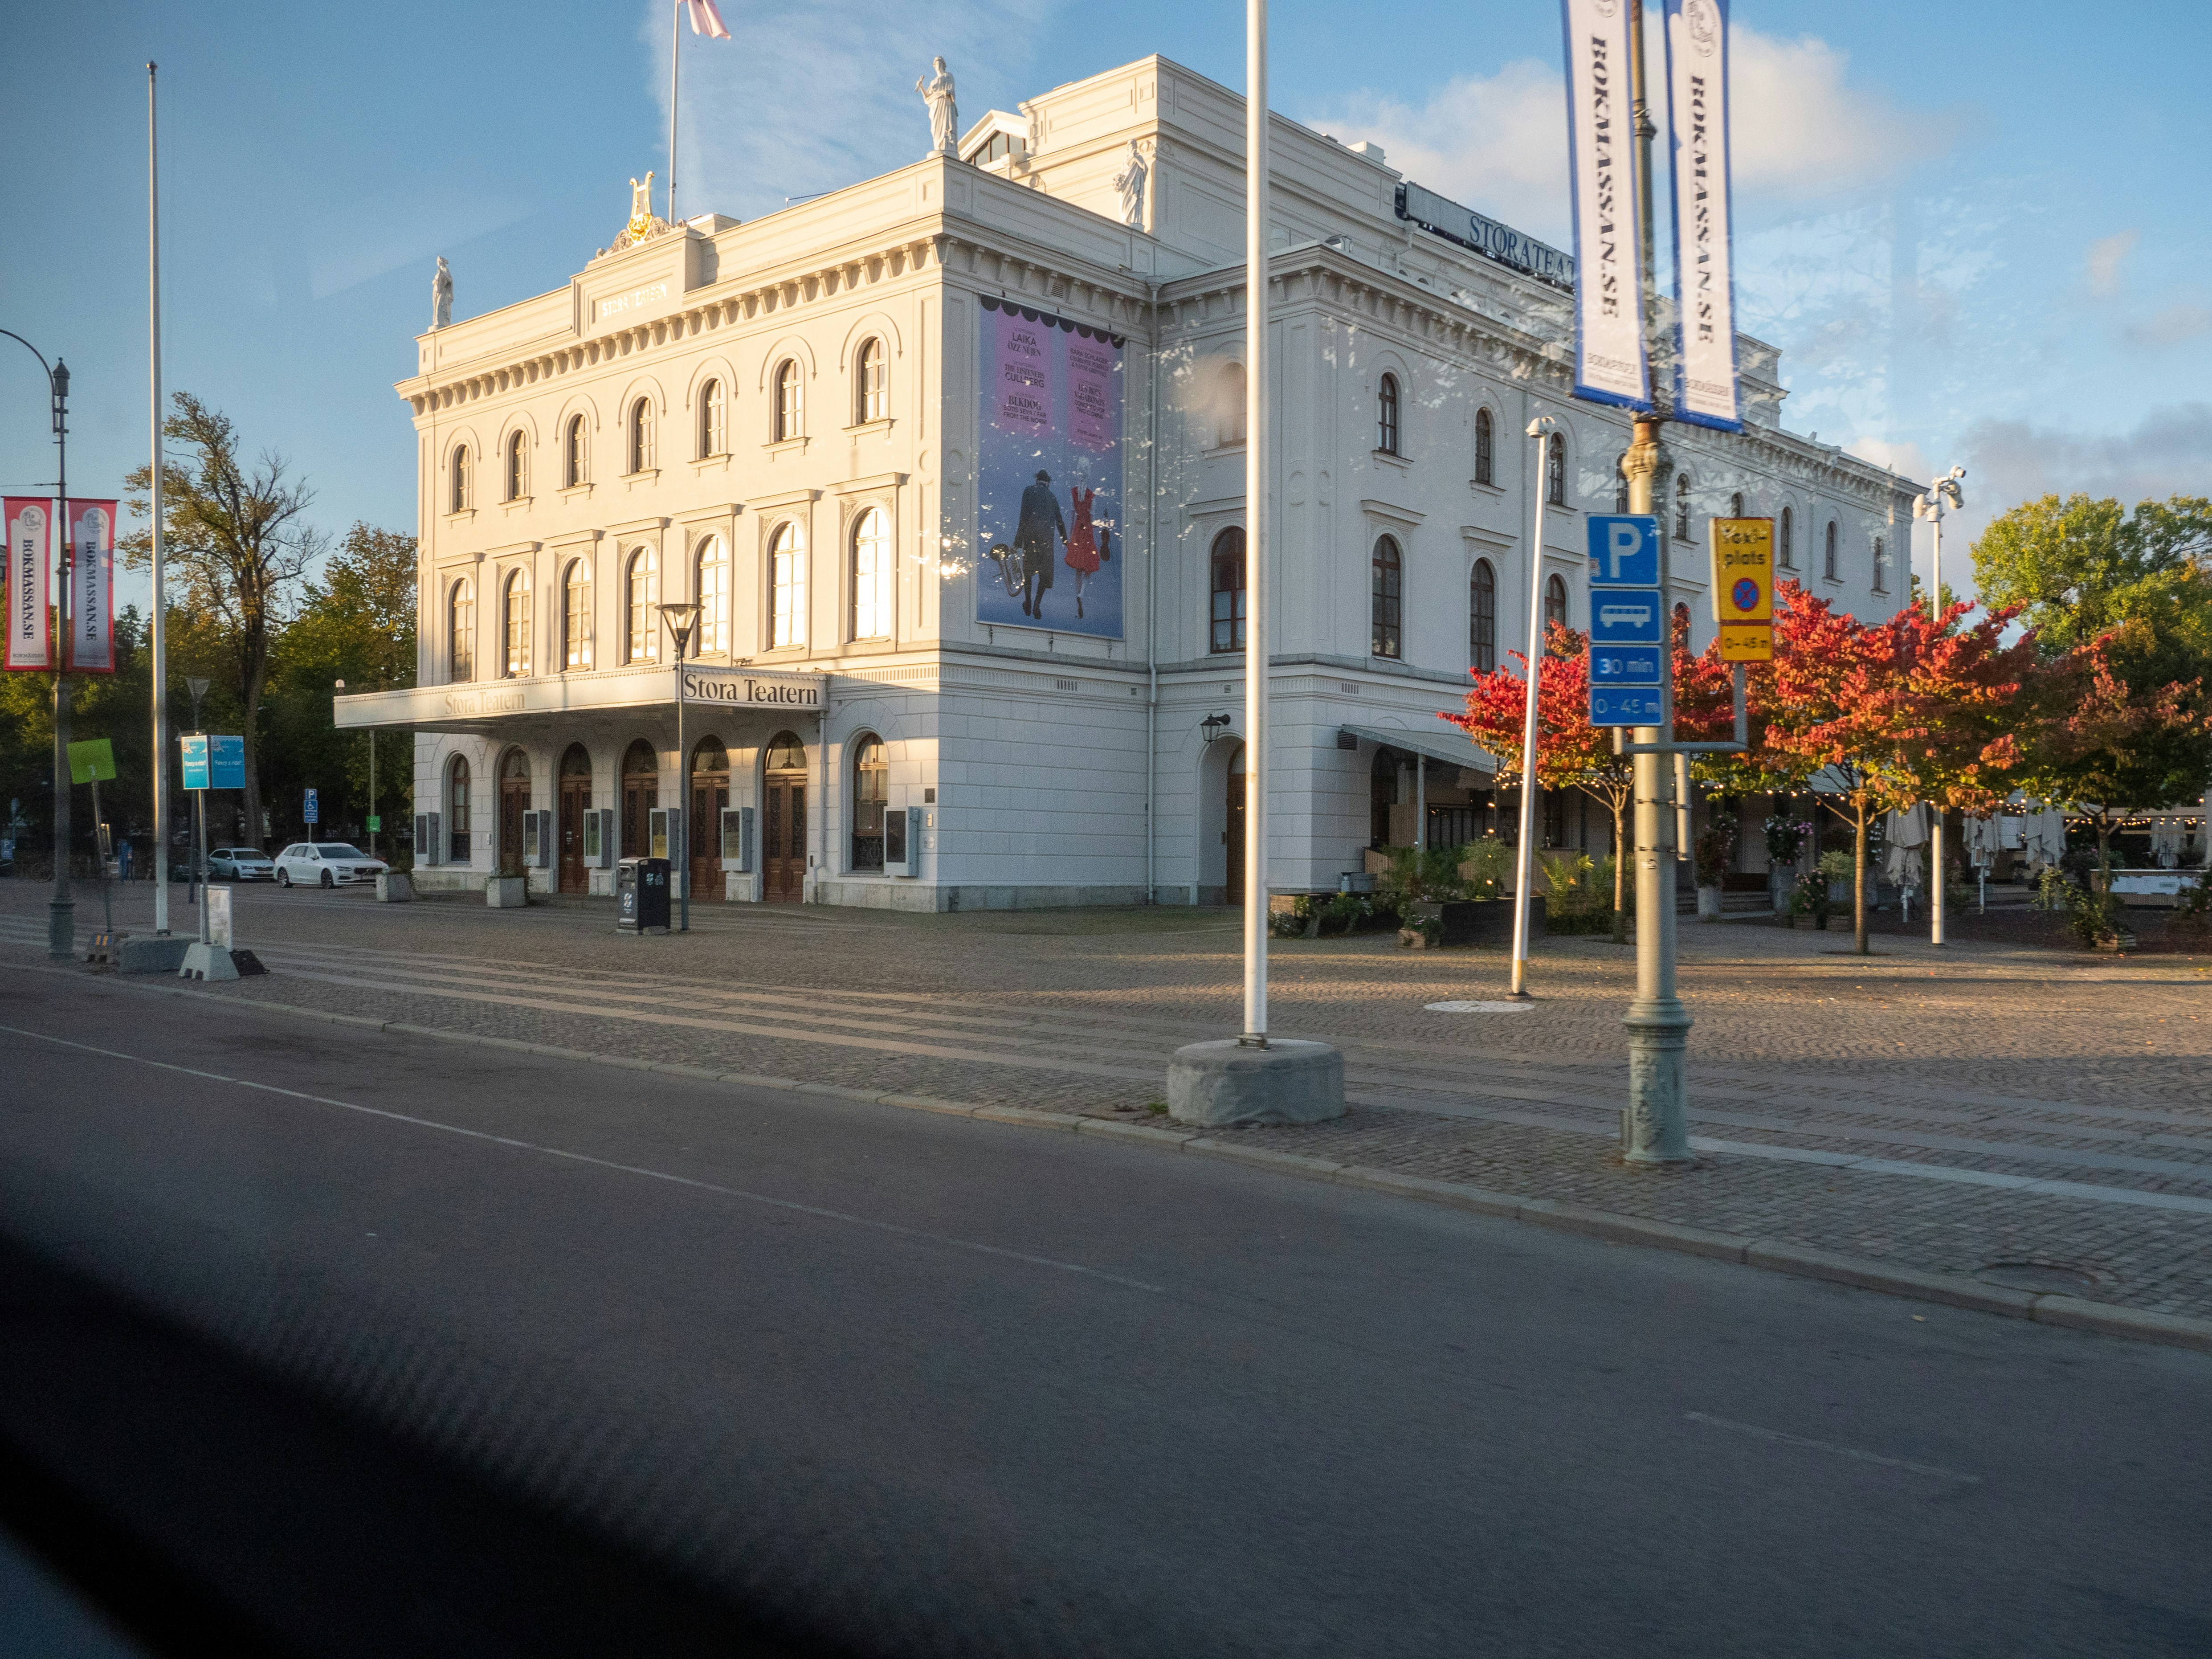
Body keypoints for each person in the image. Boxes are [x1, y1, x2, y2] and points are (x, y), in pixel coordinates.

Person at [1013, 470, 1065, 619]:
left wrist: (1017, 543)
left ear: (1037, 480)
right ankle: (1037, 604)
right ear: (1048, 482)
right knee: (1045, 574)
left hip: (1031, 538)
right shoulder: (1053, 497)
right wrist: (1065, 540)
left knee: (1028, 573)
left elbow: (1023, 517)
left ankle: (1028, 600)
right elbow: (1060, 521)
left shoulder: (1028, 491)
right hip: (1046, 541)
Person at [1065, 485, 1100, 618]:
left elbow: (1072, 516)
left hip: (1077, 532)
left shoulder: (1074, 493)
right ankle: (1082, 594)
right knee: (1089, 565)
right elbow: (1092, 519)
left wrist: (1070, 535)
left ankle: (1077, 595)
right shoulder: (1091, 496)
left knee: (1078, 568)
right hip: (1087, 532)